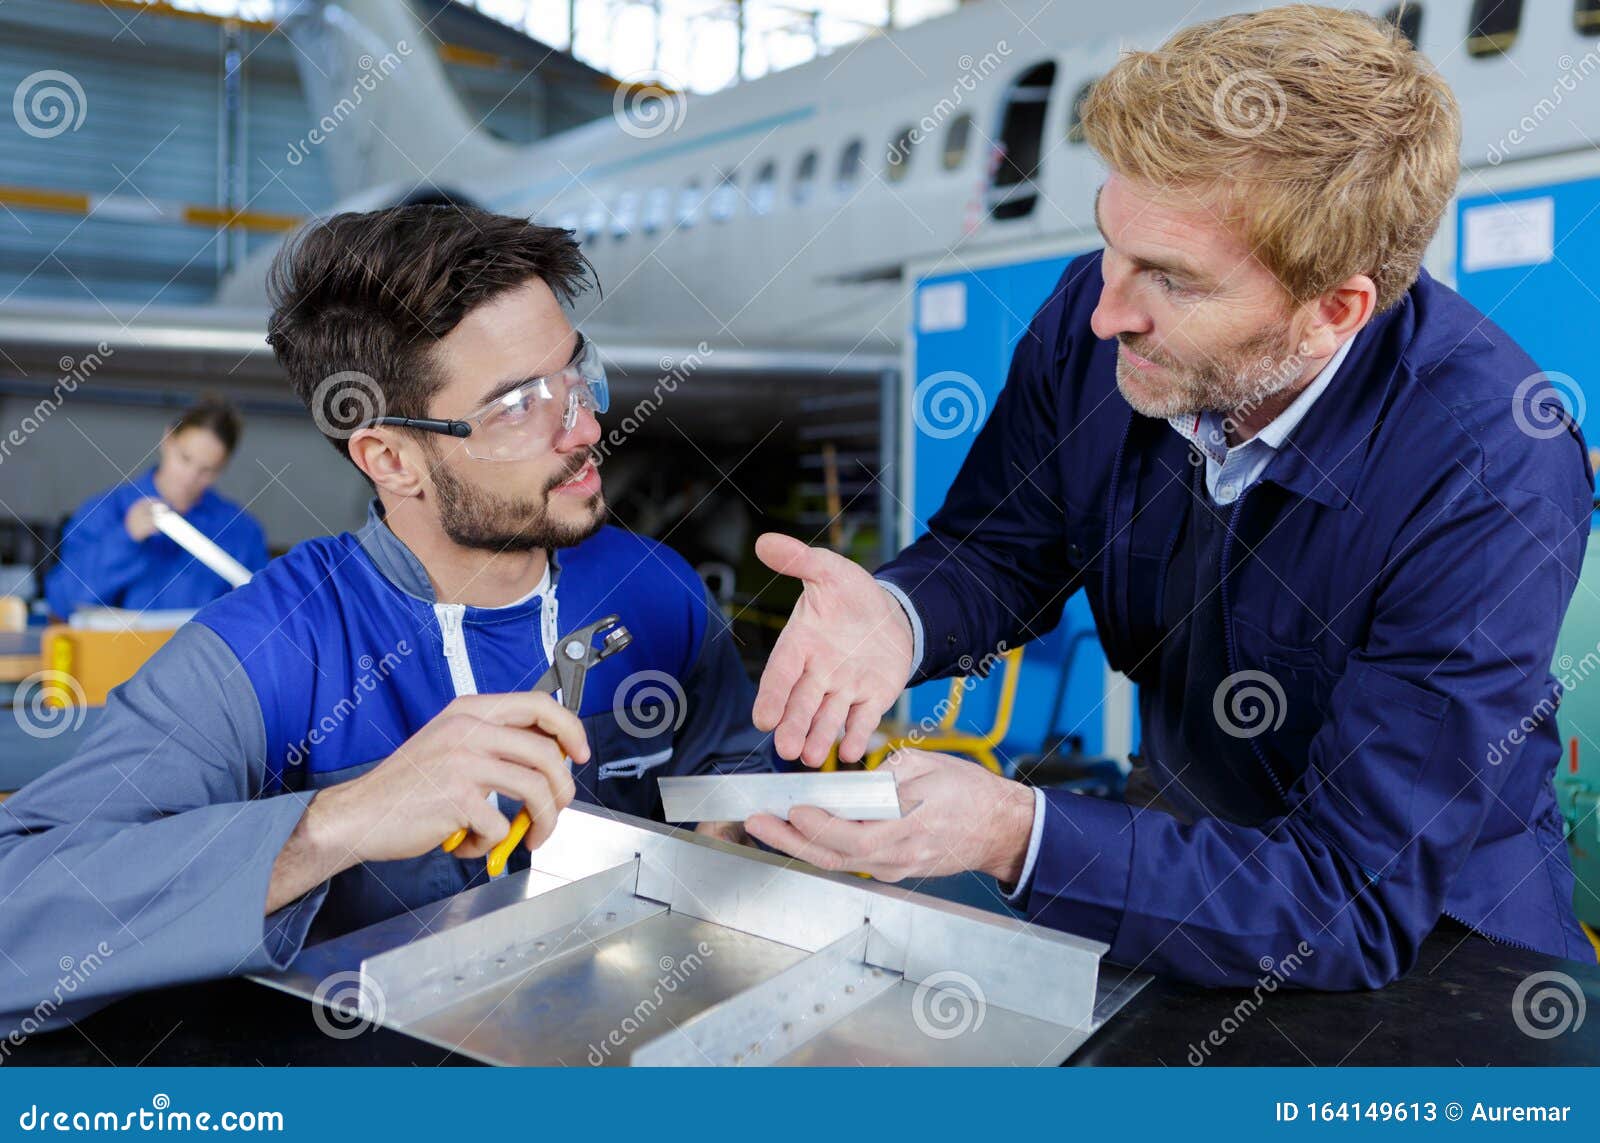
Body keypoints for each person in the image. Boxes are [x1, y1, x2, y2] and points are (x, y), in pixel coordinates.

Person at [743, 6, 1597, 988]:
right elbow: (1000, 543)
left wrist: (1015, 830)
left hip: (1435, 964)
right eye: (1112, 242)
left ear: (1334, 310)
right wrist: (898, 616)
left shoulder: (1484, 471)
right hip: (1178, 886)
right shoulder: (1094, 315)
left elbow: (1351, 900)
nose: (1106, 308)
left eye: (1172, 280)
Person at [0, 206, 770, 1034]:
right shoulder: (265, 654)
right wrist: (336, 822)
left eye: (577, 378)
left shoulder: (658, 591)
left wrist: (768, 817)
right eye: (518, 406)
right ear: (391, 458)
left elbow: (722, 783)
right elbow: (18, 910)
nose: (585, 428)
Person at [43, 397, 268, 618]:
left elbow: (261, 615)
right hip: (116, 654)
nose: (189, 478)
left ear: (222, 468)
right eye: (185, 458)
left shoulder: (241, 532)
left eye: (207, 470)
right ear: (168, 439)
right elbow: (62, 601)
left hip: (197, 655)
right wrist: (125, 538)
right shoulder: (104, 512)